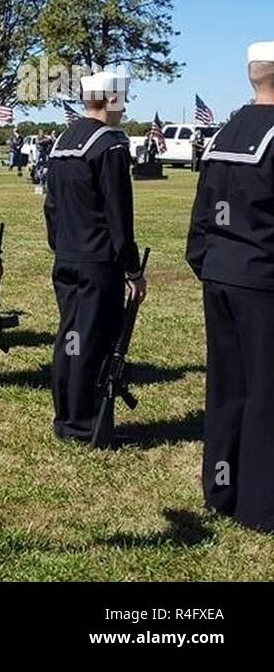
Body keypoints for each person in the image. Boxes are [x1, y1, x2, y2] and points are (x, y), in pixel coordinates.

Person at [187, 41, 274, 533]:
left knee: (227, 385)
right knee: (265, 389)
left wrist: (208, 260)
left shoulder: (224, 133)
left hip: (222, 271)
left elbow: (203, 212)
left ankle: (221, 488)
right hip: (262, 277)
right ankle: (261, 504)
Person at [45, 71, 145, 445]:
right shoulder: (110, 145)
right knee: (93, 339)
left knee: (71, 336)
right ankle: (84, 421)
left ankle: (67, 414)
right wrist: (132, 269)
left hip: (68, 253)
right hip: (97, 259)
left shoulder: (62, 141)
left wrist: (60, 243)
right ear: (113, 98)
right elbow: (119, 216)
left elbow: (51, 206)